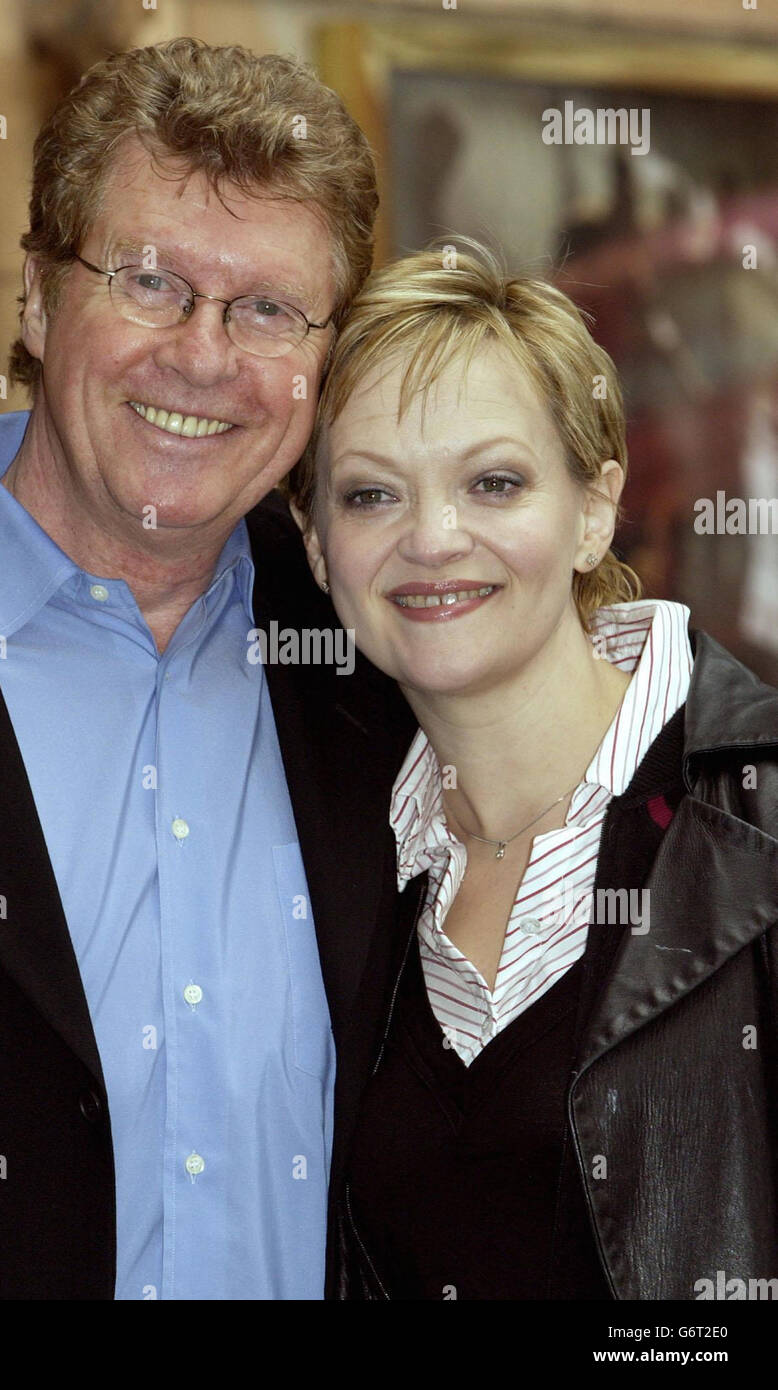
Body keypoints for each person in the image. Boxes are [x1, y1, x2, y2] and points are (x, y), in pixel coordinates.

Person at [0, 39, 418, 1300]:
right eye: (150, 282)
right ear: (38, 296)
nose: (203, 356)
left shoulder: (388, 674)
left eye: (266, 309)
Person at [288, 240, 778, 1300]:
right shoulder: (339, 855)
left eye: (494, 481)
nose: (433, 537)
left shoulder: (760, 825)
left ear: (593, 510)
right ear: (317, 545)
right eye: (371, 495)